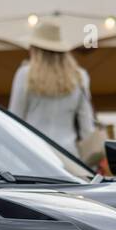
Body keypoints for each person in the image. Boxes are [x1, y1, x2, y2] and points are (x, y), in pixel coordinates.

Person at [8, 19, 93, 154]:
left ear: (35, 49)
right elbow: (86, 126)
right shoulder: (80, 76)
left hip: (34, 150)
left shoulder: (25, 74)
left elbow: (14, 119)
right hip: (68, 153)